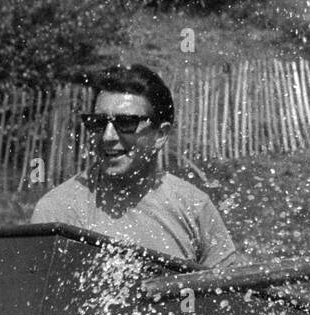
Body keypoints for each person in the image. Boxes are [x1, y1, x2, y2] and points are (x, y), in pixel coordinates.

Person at [31, 64, 238, 268]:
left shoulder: (193, 207)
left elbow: (231, 293)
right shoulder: (57, 212)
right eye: (100, 122)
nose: (108, 136)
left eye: (126, 123)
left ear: (160, 135)